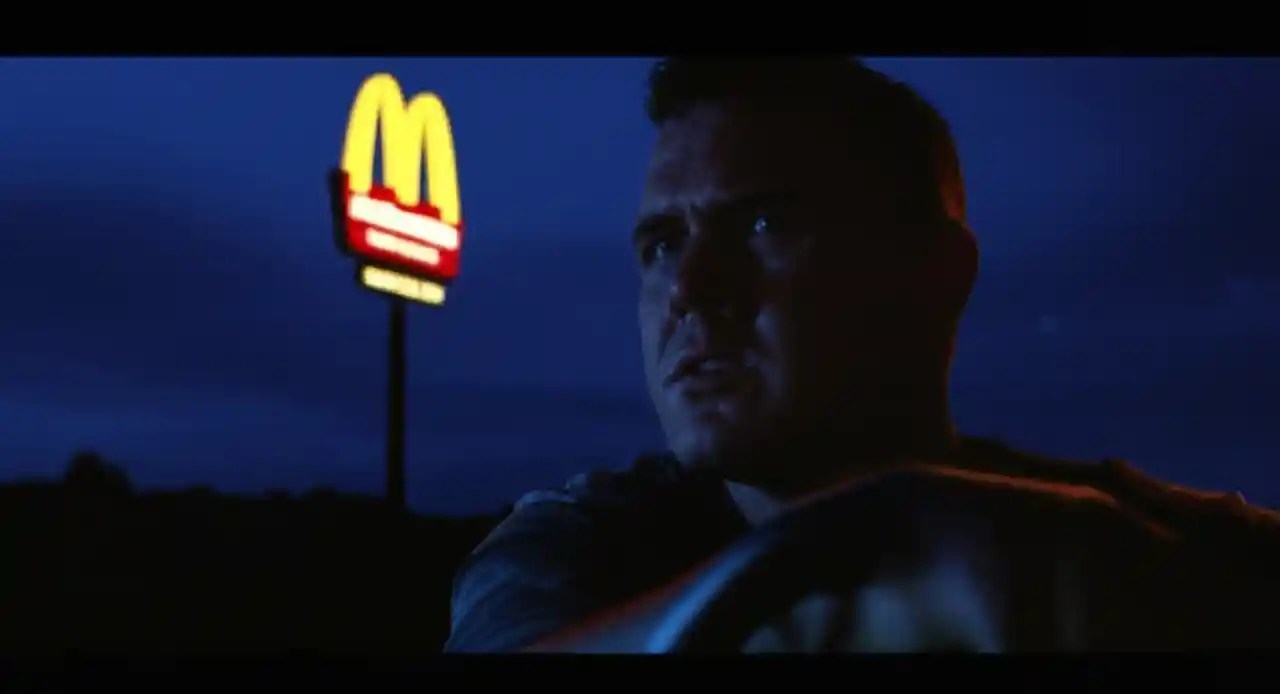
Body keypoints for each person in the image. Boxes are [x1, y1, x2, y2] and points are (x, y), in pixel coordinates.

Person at [444, 57, 1280, 653]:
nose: (692, 290)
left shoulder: (1103, 531)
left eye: (764, 225)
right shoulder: (567, 550)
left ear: (935, 273)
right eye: (662, 244)